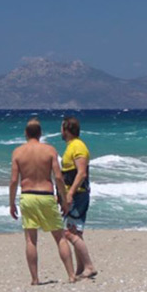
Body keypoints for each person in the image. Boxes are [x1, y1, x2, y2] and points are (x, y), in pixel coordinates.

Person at [8, 118, 76, 285]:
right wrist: (64, 199)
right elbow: (58, 177)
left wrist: (11, 203)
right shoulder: (49, 150)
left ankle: (35, 279)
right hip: (46, 195)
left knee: (31, 240)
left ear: (26, 133)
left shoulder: (17, 152)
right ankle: (71, 275)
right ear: (40, 134)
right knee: (60, 237)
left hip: (28, 196)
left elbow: (14, 180)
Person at [60, 115, 98, 279]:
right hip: (73, 194)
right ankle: (81, 268)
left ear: (66, 129)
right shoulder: (71, 146)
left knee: (70, 232)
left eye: (62, 128)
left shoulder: (78, 147)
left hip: (78, 195)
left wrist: (70, 193)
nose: (60, 131)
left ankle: (89, 266)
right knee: (76, 231)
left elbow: (81, 173)